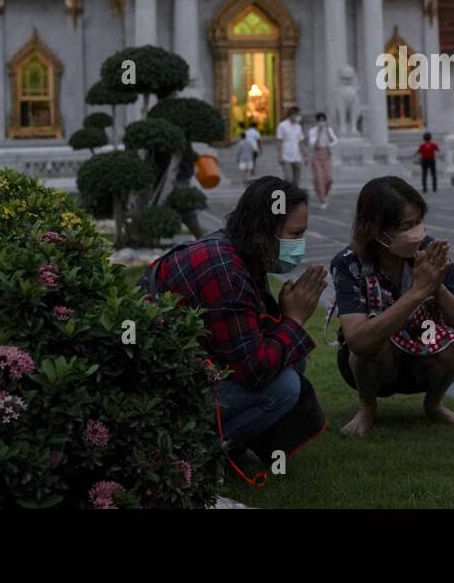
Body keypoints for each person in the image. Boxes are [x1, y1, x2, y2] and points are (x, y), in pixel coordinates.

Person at [139, 177, 330, 460]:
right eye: (294, 234)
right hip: (155, 397)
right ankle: (194, 454)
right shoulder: (224, 271)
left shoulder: (238, 249)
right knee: (284, 387)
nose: (299, 245)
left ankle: (234, 441)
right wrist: (294, 319)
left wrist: (281, 316)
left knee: (293, 356)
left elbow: (244, 339)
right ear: (261, 230)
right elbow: (255, 371)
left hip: (185, 373)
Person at [328, 176, 454, 437]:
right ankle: (367, 408)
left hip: (422, 354)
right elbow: (358, 341)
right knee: (372, 343)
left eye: (418, 222)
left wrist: (437, 286)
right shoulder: (349, 263)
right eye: (406, 226)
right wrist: (417, 293)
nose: (416, 232)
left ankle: (434, 404)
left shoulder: (431, 251)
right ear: (377, 229)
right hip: (372, 366)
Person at [308, 112, 338, 210]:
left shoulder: (328, 129)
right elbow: (313, 144)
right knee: (319, 179)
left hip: (327, 154)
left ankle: (324, 194)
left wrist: (328, 133)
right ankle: (322, 200)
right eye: (319, 120)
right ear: (317, 122)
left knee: (329, 178)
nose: (321, 122)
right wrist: (319, 133)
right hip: (317, 154)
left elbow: (334, 140)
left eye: (323, 120)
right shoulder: (312, 131)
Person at [275, 106, 305, 187]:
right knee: (289, 178)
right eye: (297, 115)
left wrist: (304, 155)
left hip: (297, 156)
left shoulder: (298, 127)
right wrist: (279, 156)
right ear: (292, 115)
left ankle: (294, 197)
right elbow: (279, 141)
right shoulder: (282, 126)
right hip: (286, 156)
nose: (298, 117)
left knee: (296, 180)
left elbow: (300, 141)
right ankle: (287, 194)